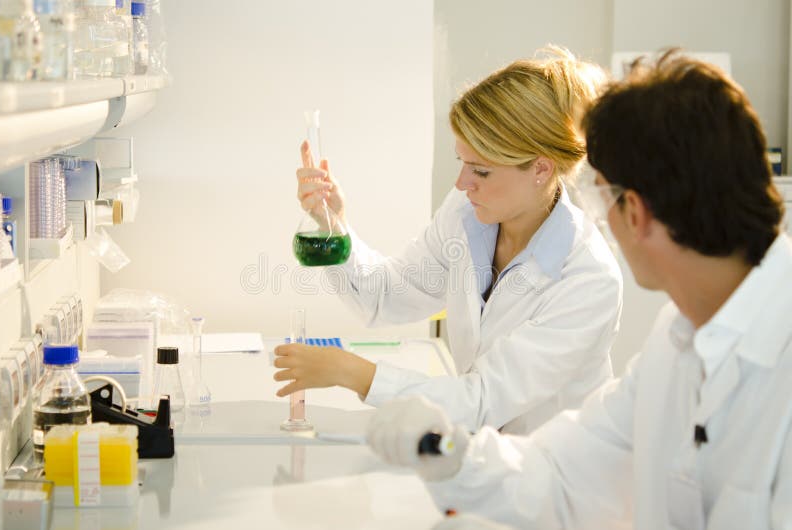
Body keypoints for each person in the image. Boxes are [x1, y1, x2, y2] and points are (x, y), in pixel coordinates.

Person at [365, 50, 791, 529]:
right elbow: (564, 474)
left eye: (601, 193)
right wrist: (449, 450)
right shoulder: (676, 341)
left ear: (634, 211)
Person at [274, 47, 622, 434]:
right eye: (462, 162)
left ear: (541, 168)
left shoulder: (589, 279)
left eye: (481, 171)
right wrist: (332, 222)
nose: (461, 184)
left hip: (554, 479)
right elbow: (384, 296)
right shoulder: (467, 215)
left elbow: (481, 400)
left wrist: (352, 372)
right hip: (484, 462)